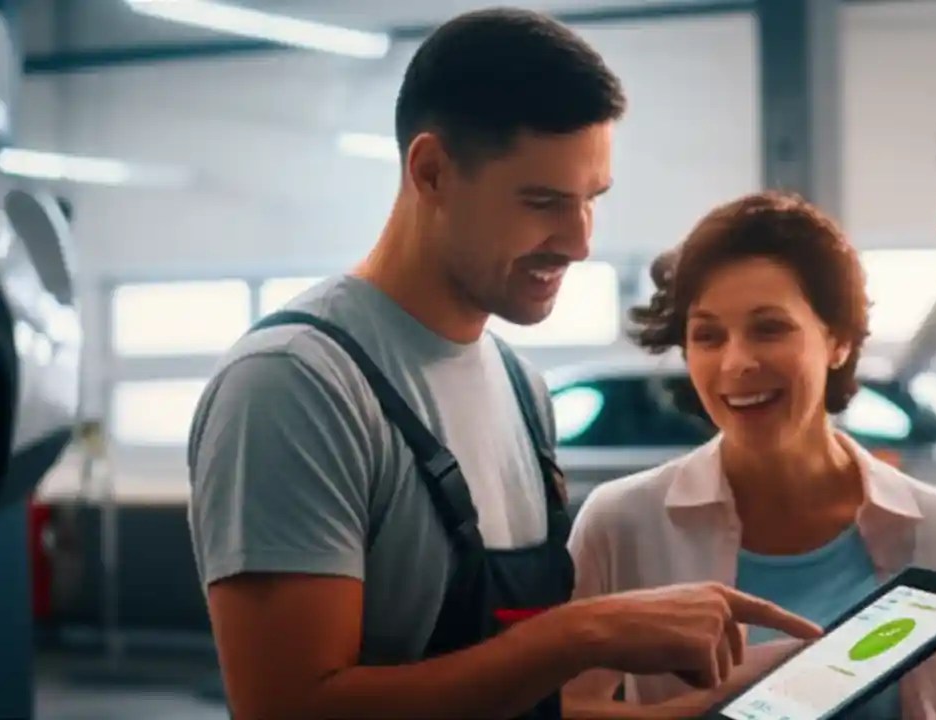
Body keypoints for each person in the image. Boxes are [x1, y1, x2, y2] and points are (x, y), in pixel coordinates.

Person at [185, 10, 821, 720]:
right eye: (543, 201)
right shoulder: (296, 387)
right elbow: (290, 710)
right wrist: (585, 631)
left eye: (591, 201)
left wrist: (677, 716)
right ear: (430, 173)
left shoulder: (522, 388)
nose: (579, 242)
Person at [563, 191, 936, 719]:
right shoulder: (621, 524)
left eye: (769, 328)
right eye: (708, 336)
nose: (737, 362)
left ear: (837, 339)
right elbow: (563, 708)